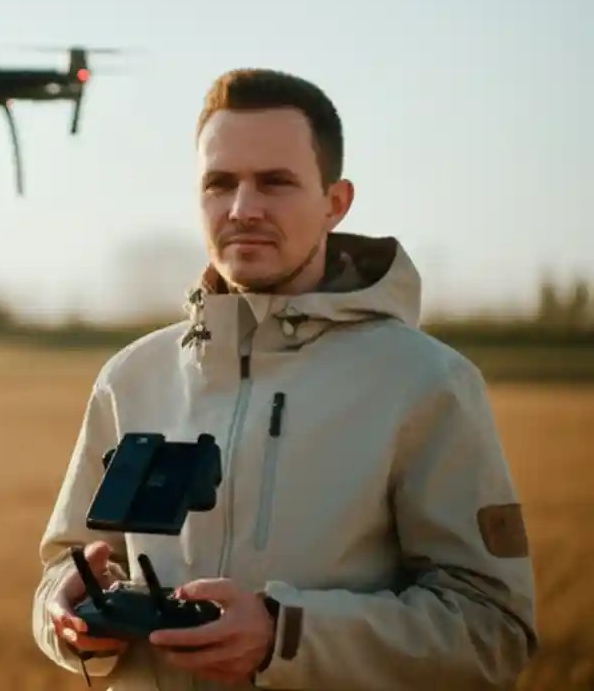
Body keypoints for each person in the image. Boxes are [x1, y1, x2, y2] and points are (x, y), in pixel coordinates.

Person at [32, 68, 538, 690]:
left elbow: (495, 630)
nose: (243, 209)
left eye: (275, 182)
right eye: (220, 184)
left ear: (336, 201)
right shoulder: (132, 376)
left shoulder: (427, 383)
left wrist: (284, 635)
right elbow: (66, 565)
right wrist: (66, 614)